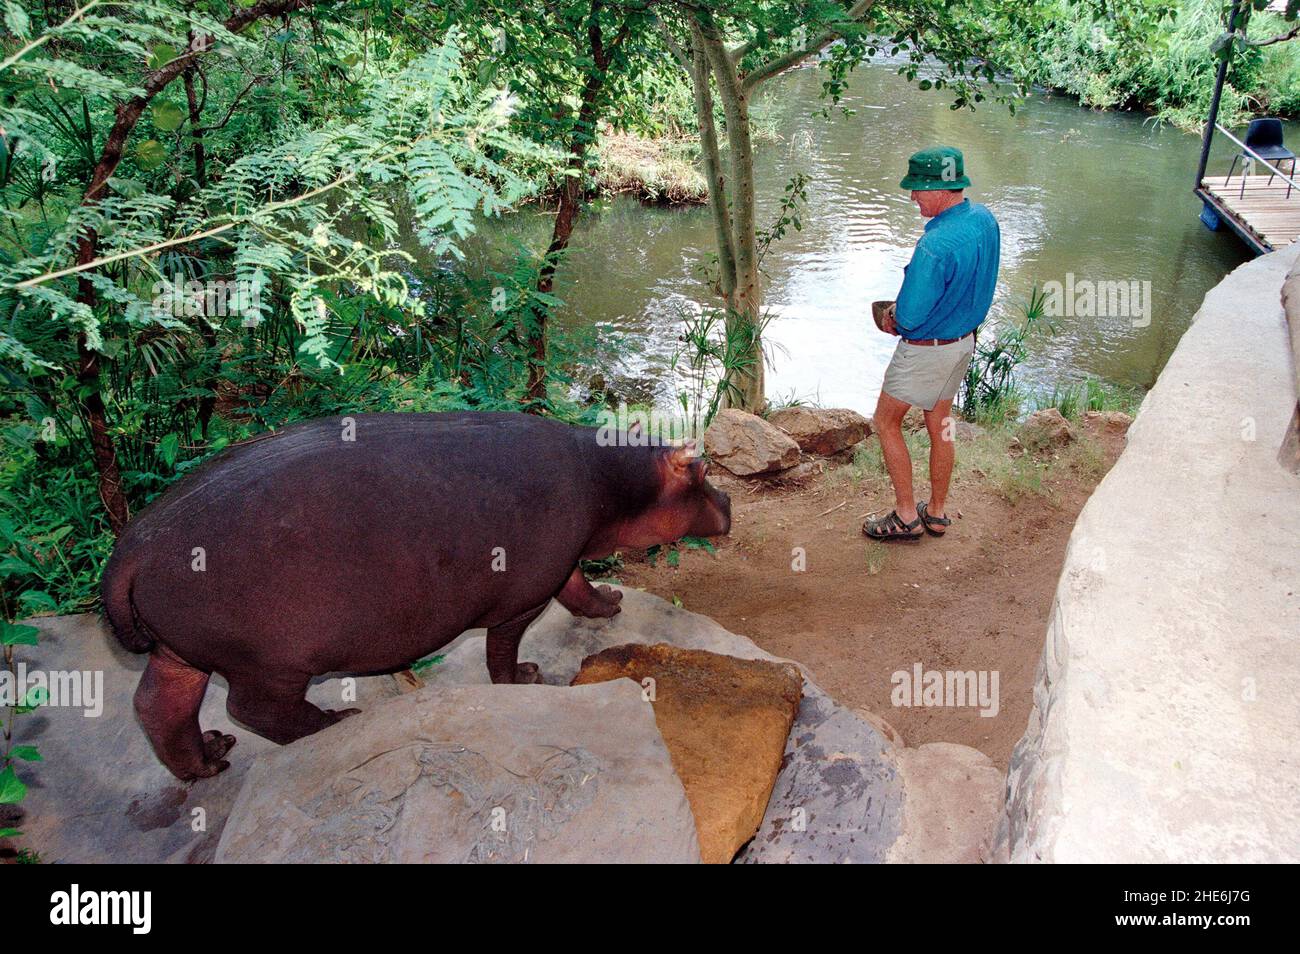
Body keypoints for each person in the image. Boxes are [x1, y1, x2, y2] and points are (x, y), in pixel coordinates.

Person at [864, 146, 1000, 541]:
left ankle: (906, 517)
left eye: (918, 190)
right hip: (962, 344)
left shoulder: (933, 247)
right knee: (941, 423)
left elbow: (908, 317)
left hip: (927, 350)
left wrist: (891, 318)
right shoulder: (985, 221)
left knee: (886, 421)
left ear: (941, 189)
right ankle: (936, 513)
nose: (912, 197)